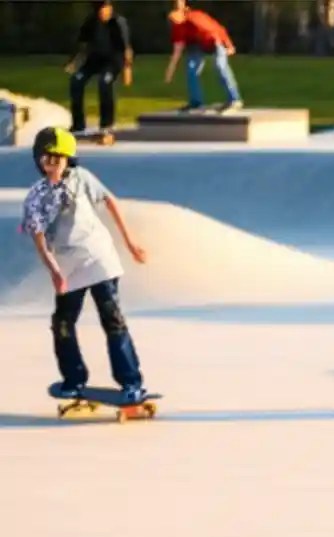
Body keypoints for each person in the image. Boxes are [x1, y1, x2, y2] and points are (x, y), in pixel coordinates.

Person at [20, 127, 149, 403]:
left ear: (69, 160)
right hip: (67, 267)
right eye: (48, 158)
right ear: (39, 160)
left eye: (59, 158)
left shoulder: (81, 178)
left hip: (99, 257)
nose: (53, 164)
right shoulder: (35, 197)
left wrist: (130, 242)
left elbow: (109, 201)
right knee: (62, 323)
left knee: (112, 317)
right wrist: (55, 271)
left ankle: (131, 382)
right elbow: (39, 239)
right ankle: (74, 379)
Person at [65, 0, 133, 137]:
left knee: (104, 82)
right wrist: (75, 63)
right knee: (76, 81)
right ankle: (78, 124)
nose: (103, 15)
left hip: (113, 61)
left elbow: (126, 48)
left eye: (105, 11)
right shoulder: (91, 21)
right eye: (100, 12)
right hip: (94, 60)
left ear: (110, 9)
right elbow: (83, 44)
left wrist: (127, 69)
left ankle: (106, 124)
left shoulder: (118, 22)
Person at [164, 0, 243, 114]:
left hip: (213, 40)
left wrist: (229, 45)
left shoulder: (196, 18)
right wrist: (169, 72)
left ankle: (235, 99)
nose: (174, 23)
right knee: (191, 70)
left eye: (175, 20)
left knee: (220, 66)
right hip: (196, 45)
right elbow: (177, 51)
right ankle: (196, 102)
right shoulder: (177, 28)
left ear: (182, 15)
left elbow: (218, 29)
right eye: (172, 21)